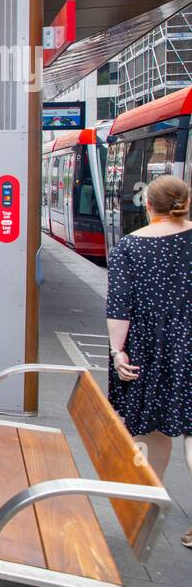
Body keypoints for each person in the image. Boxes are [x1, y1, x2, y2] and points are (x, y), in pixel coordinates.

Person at [105, 174, 192, 549]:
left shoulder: (130, 246)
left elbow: (119, 305)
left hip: (151, 347)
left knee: (149, 429)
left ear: (147, 205)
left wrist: (117, 351)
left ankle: (147, 503)